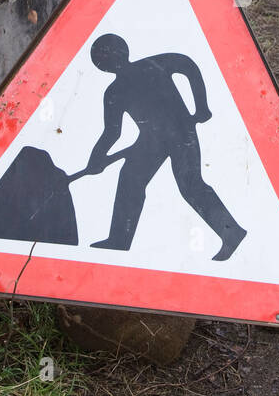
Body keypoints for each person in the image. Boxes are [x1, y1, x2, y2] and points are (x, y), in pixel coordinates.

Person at [82, 33, 246, 260]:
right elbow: (112, 132)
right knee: (130, 179)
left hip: (180, 129)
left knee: (189, 183)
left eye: (105, 55)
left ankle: (232, 232)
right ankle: (119, 240)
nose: (106, 60)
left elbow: (187, 65)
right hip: (151, 138)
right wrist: (96, 158)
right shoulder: (114, 91)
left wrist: (201, 106)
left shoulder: (151, 65)